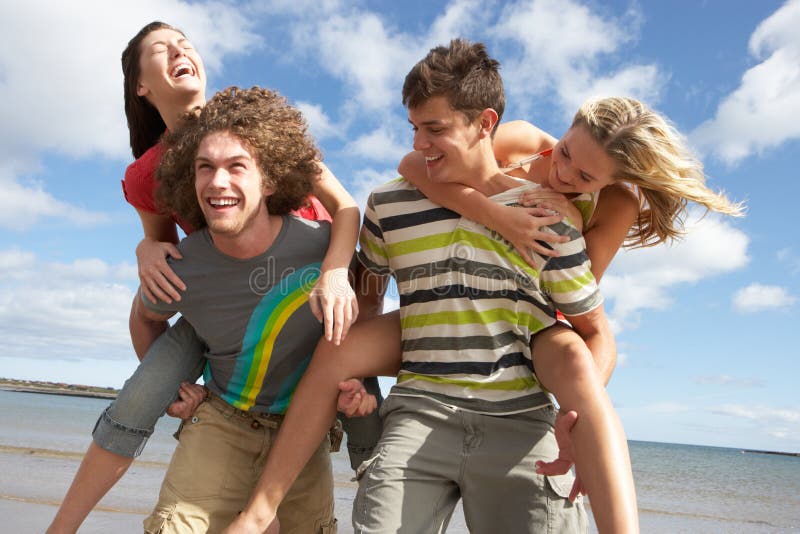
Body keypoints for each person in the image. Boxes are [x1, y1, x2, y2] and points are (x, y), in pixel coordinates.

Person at [226, 39, 639, 534]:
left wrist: (571, 418)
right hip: (421, 402)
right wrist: (359, 371)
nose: (419, 143)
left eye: (435, 129)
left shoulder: (553, 215)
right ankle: (258, 513)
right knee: (337, 347)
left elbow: (591, 325)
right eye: (415, 128)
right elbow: (372, 284)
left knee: (570, 354)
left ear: (485, 123)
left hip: (520, 407)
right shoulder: (390, 202)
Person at [47, 21, 381, 534]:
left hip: (307, 275)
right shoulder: (149, 173)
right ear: (140, 85)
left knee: (358, 395)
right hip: (222, 294)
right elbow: (162, 245)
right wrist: (145, 249)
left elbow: (345, 208)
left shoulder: (252, 121)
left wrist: (335, 271)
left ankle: (376, 488)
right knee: (141, 395)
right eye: (162, 49)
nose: (180, 50)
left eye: (187, 43)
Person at [146, 85, 339, 532]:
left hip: (302, 430)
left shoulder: (321, 247)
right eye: (205, 168)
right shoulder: (183, 265)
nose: (217, 182)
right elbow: (145, 316)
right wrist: (178, 386)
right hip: (221, 418)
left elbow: (368, 293)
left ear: (269, 180)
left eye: (237, 167)